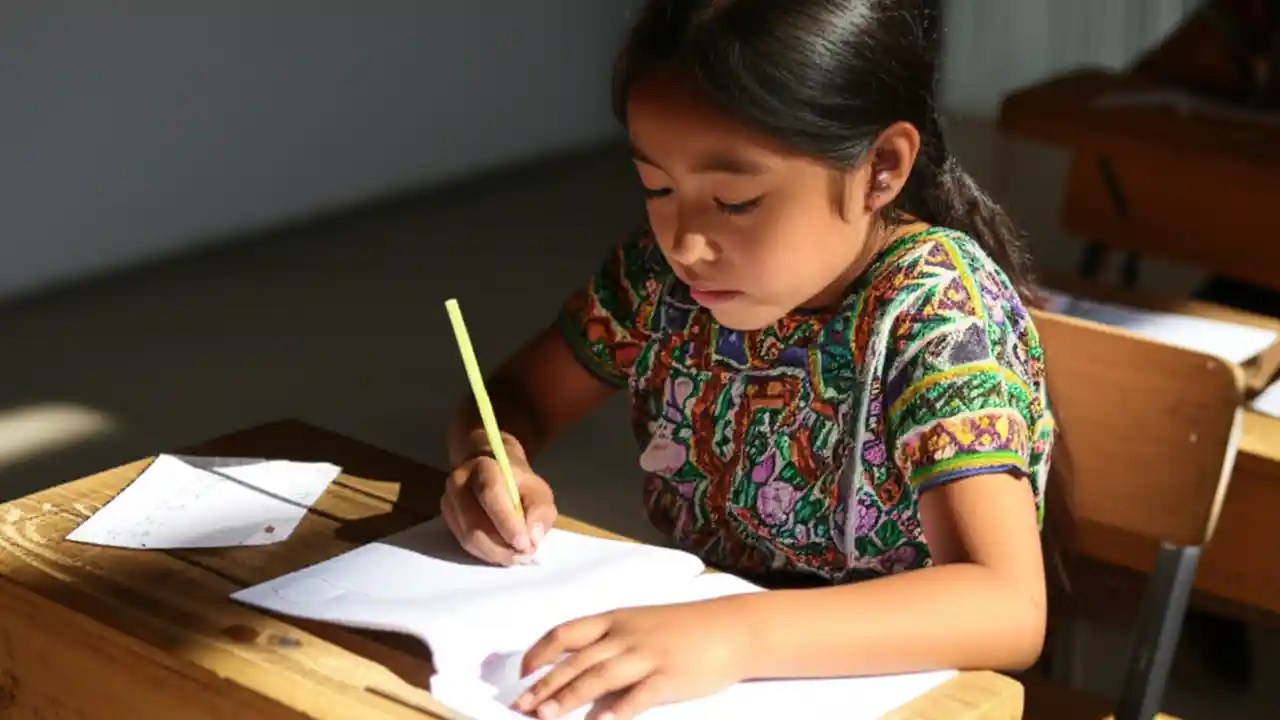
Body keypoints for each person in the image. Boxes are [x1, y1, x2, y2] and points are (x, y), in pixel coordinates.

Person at [441, 1, 1060, 718]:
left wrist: (730, 636)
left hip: (897, 692)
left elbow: (1007, 604)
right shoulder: (660, 283)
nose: (685, 242)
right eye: (658, 188)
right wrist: (491, 456)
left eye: (734, 201)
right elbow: (520, 394)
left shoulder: (934, 314)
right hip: (705, 663)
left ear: (881, 169)